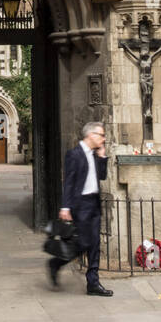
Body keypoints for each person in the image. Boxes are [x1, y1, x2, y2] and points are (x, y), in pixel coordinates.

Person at [48, 121, 113, 296]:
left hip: (94, 203)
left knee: (95, 244)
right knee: (83, 243)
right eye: (101, 135)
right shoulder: (74, 154)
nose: (103, 138)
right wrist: (65, 207)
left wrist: (102, 156)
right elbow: (68, 181)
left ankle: (93, 283)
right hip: (81, 205)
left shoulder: (94, 154)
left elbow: (102, 176)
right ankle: (56, 263)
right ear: (90, 135)